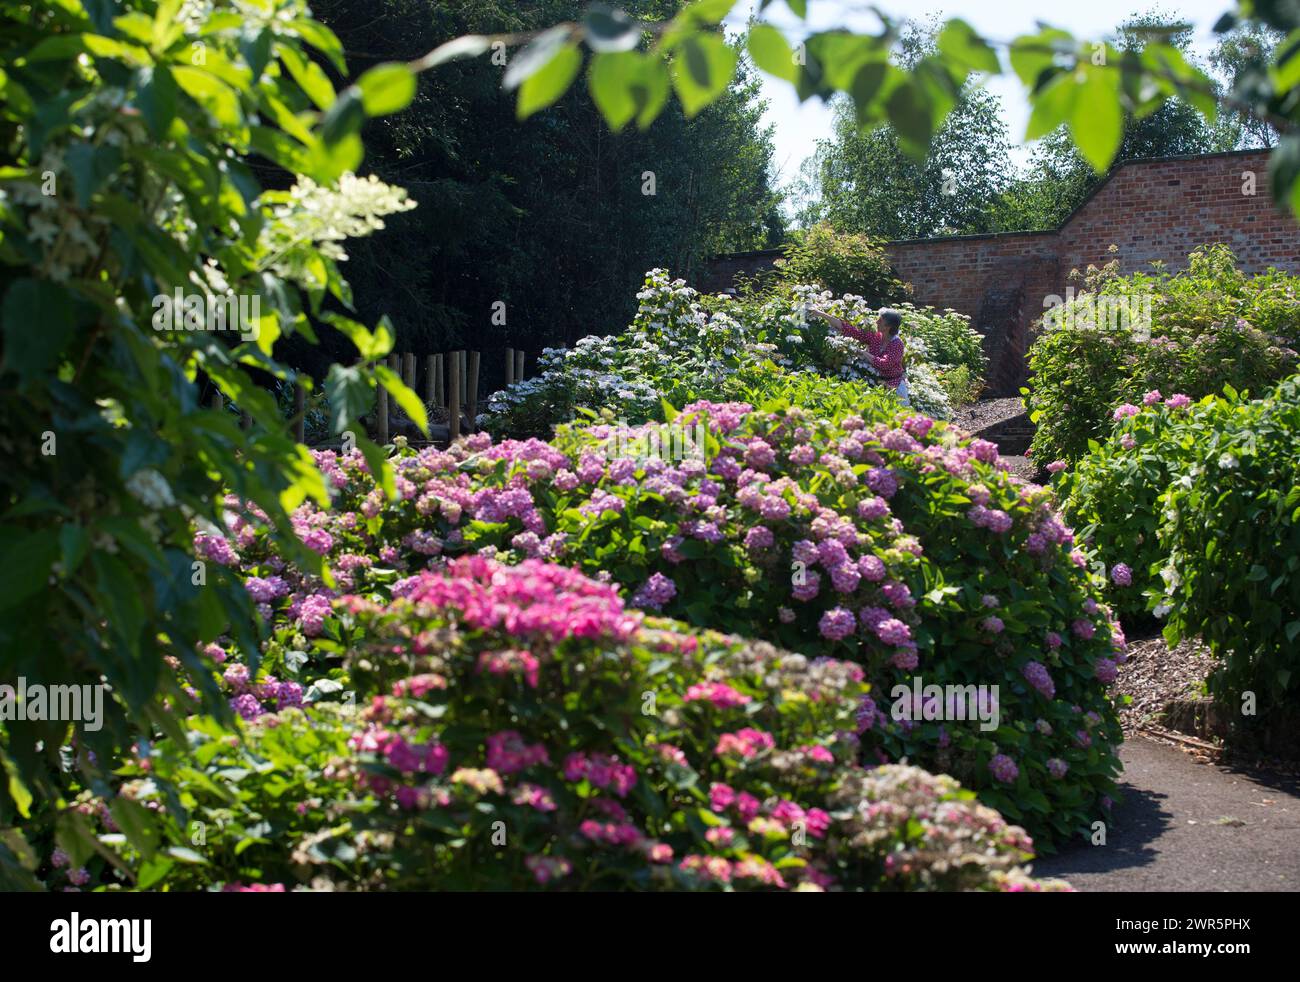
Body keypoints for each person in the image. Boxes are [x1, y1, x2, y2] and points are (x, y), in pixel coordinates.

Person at [805, 306, 909, 405]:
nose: (876, 322)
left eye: (880, 321)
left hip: (894, 386)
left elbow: (884, 364)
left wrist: (864, 353)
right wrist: (820, 314)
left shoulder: (897, 344)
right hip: (876, 383)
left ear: (887, 327)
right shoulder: (877, 337)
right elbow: (851, 330)